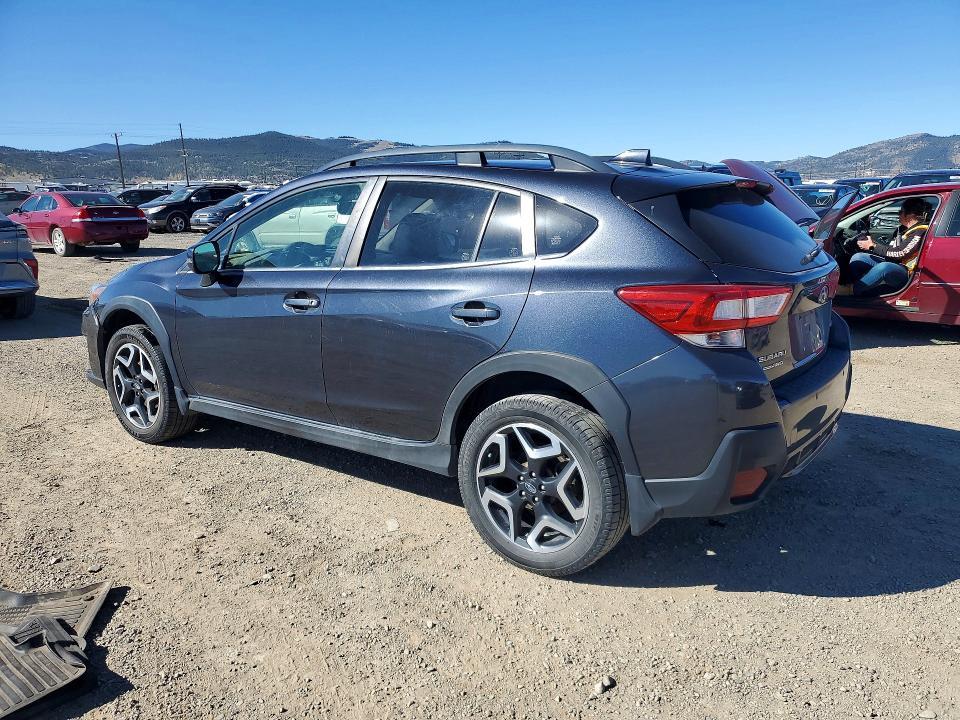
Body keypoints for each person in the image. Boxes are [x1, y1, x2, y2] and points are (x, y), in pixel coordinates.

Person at [848, 197, 930, 297]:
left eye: (901, 212)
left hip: (907, 272)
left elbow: (900, 252)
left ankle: (852, 291)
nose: (898, 215)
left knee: (884, 267)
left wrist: (873, 246)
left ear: (911, 215)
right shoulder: (902, 229)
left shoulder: (920, 231)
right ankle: (861, 287)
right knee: (859, 257)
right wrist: (872, 243)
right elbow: (892, 248)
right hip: (896, 263)